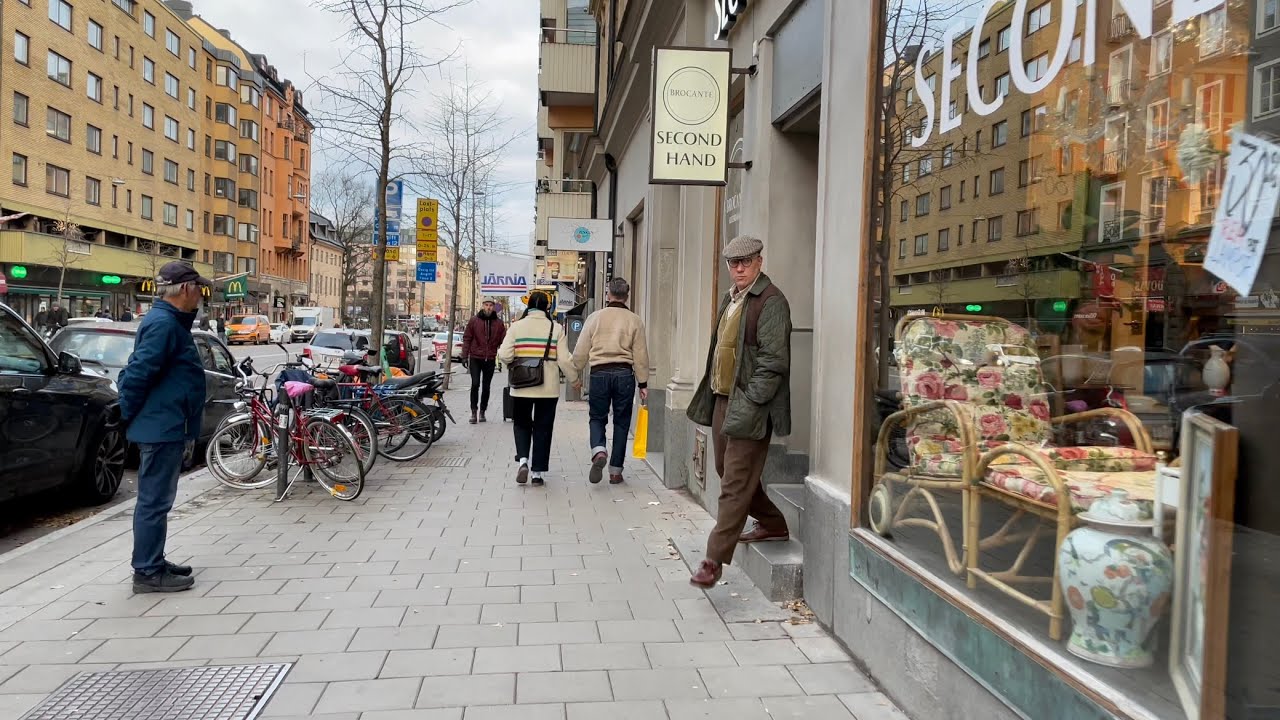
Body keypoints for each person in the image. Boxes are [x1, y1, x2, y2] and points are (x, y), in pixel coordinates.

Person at [685, 236, 794, 588]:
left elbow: (773, 361)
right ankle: (774, 523)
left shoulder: (771, 301)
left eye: (746, 262)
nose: (739, 269)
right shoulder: (730, 299)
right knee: (725, 470)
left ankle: (712, 561)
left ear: (759, 261)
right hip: (722, 398)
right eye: (734, 263)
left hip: (749, 403)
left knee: (733, 482)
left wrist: (752, 399)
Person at [117, 262, 211, 593]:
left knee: (158, 500)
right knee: (154, 501)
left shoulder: (169, 322)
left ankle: (153, 560)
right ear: (184, 289)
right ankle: (147, 571)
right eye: (198, 287)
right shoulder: (163, 325)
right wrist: (127, 415)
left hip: (165, 423)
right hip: (160, 427)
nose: (201, 293)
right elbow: (139, 373)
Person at [571, 278, 650, 484]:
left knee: (597, 417)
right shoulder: (634, 320)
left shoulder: (595, 318)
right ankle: (615, 471)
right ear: (627, 295)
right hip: (624, 374)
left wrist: (575, 373)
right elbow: (640, 355)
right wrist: (643, 383)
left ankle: (599, 450)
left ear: (608, 294)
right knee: (622, 423)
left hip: (599, 374)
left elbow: (580, 352)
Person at [497, 291, 577, 486]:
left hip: (521, 386)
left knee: (522, 424)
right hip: (548, 388)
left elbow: (504, 355)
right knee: (543, 428)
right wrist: (574, 380)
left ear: (529, 306)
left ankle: (523, 460)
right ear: (547, 308)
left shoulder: (516, 327)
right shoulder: (555, 328)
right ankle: (537, 473)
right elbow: (565, 359)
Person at [462, 299, 507, 423]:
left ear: (494, 307)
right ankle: (473, 412)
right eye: (486, 305)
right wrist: (464, 356)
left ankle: (482, 411)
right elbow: (467, 338)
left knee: (486, 386)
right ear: (482, 306)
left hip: (490, 358)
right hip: (476, 357)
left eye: (491, 305)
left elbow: (504, 340)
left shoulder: (498, 323)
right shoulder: (474, 321)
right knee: (475, 384)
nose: (488, 307)